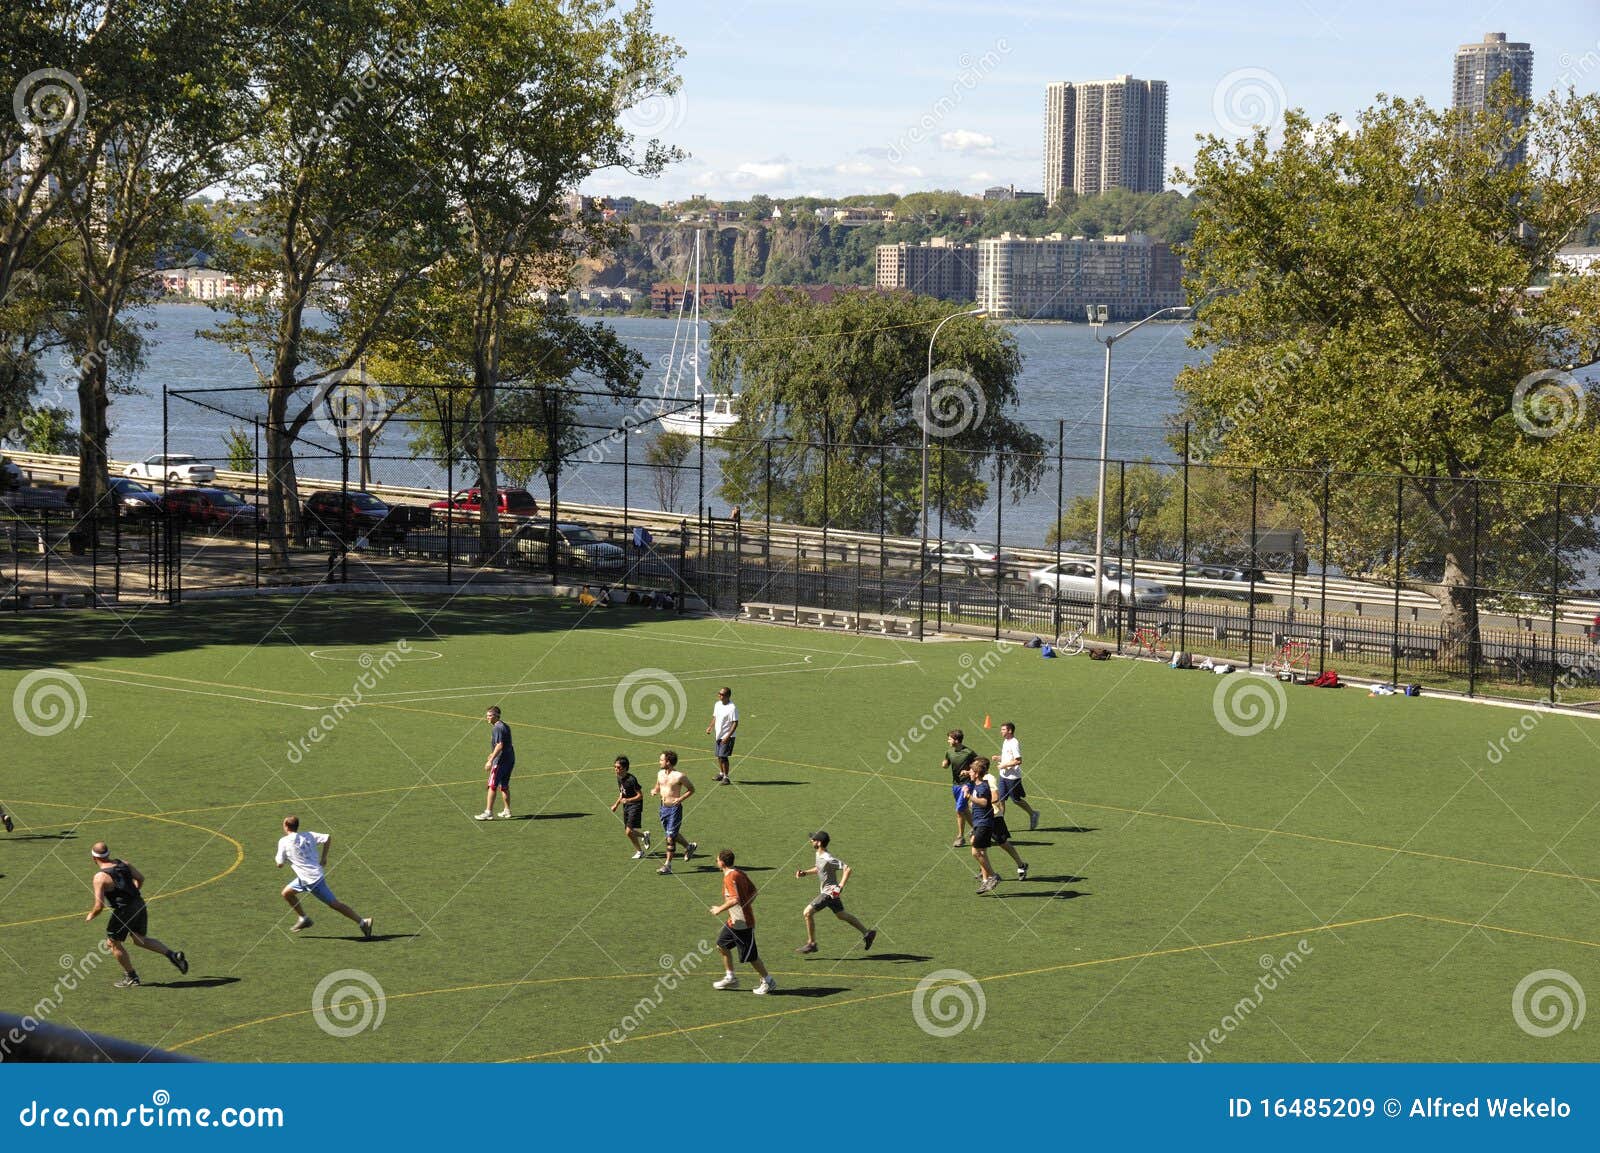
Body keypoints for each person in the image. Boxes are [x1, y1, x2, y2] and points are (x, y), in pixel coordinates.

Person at [84, 842, 188, 987]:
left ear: (94, 858)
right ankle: (173, 955)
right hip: (139, 904)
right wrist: (132, 894)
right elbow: (140, 878)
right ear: (108, 854)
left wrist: (91, 915)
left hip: (123, 911)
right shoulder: (124, 864)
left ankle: (131, 977)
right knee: (139, 939)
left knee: (113, 943)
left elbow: (99, 906)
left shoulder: (100, 877)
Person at [275, 815, 373, 938]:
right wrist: (324, 858)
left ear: (286, 826)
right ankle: (303, 918)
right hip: (306, 877)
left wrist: (285, 859)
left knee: (334, 904)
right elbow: (327, 838)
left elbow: (279, 864)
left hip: (312, 880)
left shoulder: (283, 841)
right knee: (286, 893)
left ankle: (363, 922)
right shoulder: (308, 835)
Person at [794, 830, 876, 954]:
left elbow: (847, 869)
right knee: (841, 915)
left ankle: (811, 944)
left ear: (819, 843)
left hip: (829, 892)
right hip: (831, 893)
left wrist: (840, 886)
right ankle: (867, 933)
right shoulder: (819, 854)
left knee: (807, 913)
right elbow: (819, 869)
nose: (811, 841)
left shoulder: (828, 858)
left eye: (813, 839)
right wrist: (805, 873)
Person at [710, 849, 775, 994]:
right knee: (721, 945)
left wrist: (719, 909)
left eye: (717, 860)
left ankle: (768, 981)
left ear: (722, 862)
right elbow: (754, 891)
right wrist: (745, 905)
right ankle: (730, 977)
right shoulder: (740, 873)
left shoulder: (729, 877)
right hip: (733, 922)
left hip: (743, 924)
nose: (716, 862)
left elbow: (734, 899)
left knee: (751, 957)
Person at [966, 758, 1028, 891]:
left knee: (1002, 843)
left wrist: (979, 801)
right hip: (982, 818)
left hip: (993, 816)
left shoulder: (989, 779)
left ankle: (1020, 864)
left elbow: (995, 797)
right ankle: (985, 877)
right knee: (979, 846)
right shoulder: (978, 779)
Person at [649, 750, 697, 874]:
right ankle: (689, 846)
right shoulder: (660, 773)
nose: (659, 762)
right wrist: (654, 790)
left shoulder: (679, 776)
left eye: (661, 760)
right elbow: (658, 786)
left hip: (674, 809)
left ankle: (667, 865)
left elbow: (691, 789)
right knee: (672, 834)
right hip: (663, 808)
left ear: (668, 762)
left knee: (669, 837)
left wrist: (680, 799)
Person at [994, 722, 1039, 831]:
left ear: (1010, 731)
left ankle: (1033, 814)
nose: (1001, 731)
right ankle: (1000, 825)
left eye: (1003, 730)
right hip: (1003, 776)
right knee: (1001, 799)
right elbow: (1008, 757)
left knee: (1016, 800)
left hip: (1013, 778)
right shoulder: (1006, 741)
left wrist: (1004, 765)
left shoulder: (1014, 743)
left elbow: (1018, 760)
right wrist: (999, 758)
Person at [475, 705, 514, 820]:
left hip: (500, 762)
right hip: (509, 760)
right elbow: (507, 744)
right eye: (487, 715)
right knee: (504, 786)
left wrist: (491, 760)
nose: (487, 717)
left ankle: (488, 812)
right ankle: (507, 810)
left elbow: (500, 745)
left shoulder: (497, 728)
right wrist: (492, 754)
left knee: (492, 785)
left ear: (496, 716)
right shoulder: (504, 726)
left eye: (490, 715)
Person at [609, 756, 652, 859]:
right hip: (626, 806)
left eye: (618, 767)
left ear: (624, 768)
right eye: (615, 767)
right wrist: (616, 804)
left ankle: (640, 852)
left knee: (628, 831)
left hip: (635, 805)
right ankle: (644, 836)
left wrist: (628, 800)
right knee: (629, 831)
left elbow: (640, 795)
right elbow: (622, 793)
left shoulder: (631, 780)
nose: (616, 769)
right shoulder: (619, 777)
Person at [941, 729, 977, 847]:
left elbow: (979, 766)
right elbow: (947, 763)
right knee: (965, 809)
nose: (948, 741)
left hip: (967, 784)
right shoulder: (949, 751)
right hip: (956, 785)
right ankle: (978, 829)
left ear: (956, 740)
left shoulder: (969, 753)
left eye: (950, 739)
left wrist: (968, 772)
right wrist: (945, 764)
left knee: (959, 810)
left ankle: (960, 837)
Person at [707, 686, 738, 784]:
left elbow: (735, 723)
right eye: (719, 693)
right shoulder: (717, 704)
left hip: (727, 736)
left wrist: (727, 736)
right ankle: (721, 774)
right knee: (719, 756)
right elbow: (715, 717)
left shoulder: (732, 708)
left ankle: (726, 777)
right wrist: (710, 727)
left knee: (723, 756)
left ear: (727, 696)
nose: (719, 695)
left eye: (722, 694)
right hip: (718, 735)